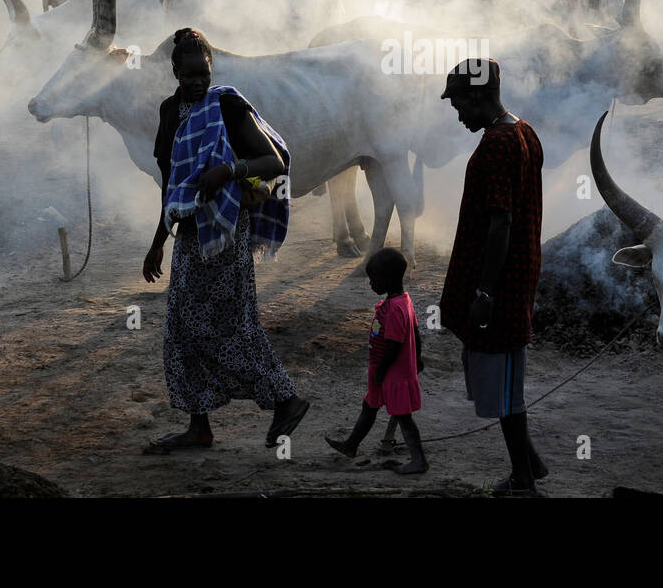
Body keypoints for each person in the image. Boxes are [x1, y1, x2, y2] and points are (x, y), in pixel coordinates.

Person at [142, 28, 310, 453]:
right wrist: (158, 239)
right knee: (181, 330)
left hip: (226, 235)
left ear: (212, 69)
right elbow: (172, 183)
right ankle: (199, 427)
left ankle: (286, 400)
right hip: (189, 235)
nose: (197, 81)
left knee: (232, 328)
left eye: (204, 73)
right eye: (189, 74)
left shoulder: (227, 104)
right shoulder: (169, 112)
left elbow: (273, 159)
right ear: (175, 71)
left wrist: (229, 170)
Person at [439, 58, 548, 496]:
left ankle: (523, 480)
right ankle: (532, 463)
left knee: (505, 385)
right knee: (506, 378)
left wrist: (484, 289)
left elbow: (500, 223)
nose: (459, 114)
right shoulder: (523, 131)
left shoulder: (500, 143)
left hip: (501, 283)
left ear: (479, 97)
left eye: (461, 104)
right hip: (514, 276)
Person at [325, 248, 428, 474]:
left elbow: (394, 345)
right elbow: (415, 332)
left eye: (374, 279)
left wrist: (381, 371)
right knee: (369, 405)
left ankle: (419, 460)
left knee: (403, 416)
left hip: (392, 372)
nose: (371, 283)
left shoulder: (394, 310)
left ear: (388, 279)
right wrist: (418, 356)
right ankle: (351, 445)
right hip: (385, 370)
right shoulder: (403, 301)